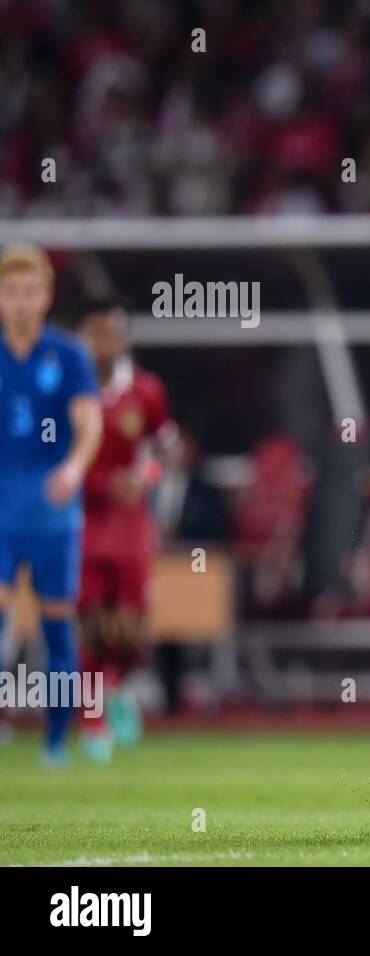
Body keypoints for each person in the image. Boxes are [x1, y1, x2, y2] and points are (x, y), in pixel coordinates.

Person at [0, 246, 102, 766]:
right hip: (1, 509)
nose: (20, 303)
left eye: (30, 292)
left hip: (52, 511)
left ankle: (56, 740)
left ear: (46, 296)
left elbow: (89, 425)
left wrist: (74, 468)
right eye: (11, 292)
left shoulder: (69, 356)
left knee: (57, 625)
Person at [76, 297, 177, 762]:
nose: (105, 341)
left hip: (131, 521)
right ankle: (92, 720)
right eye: (96, 332)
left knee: (135, 633)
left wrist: (143, 479)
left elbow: (168, 449)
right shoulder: (66, 389)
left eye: (113, 332)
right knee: (91, 624)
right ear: (82, 336)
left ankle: (115, 685)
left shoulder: (145, 390)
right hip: (83, 516)